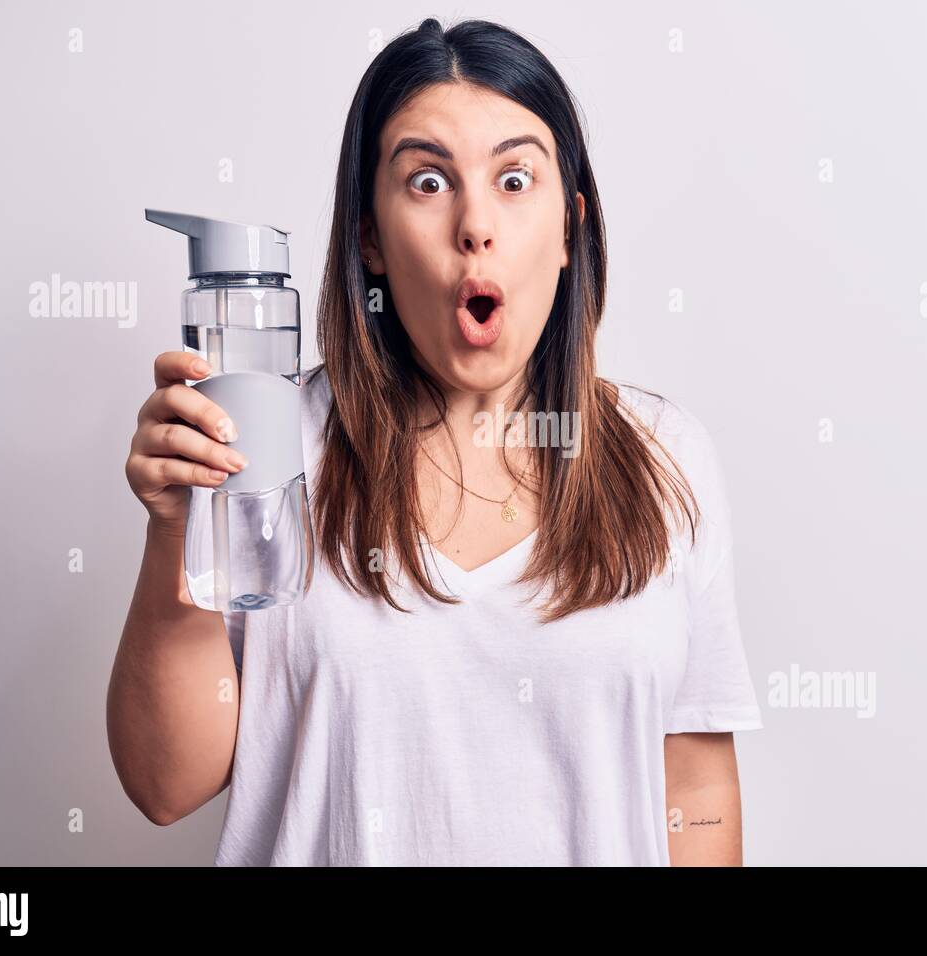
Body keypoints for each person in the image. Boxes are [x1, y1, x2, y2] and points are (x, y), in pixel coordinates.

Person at [108, 16, 763, 866]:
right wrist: (173, 531)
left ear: (568, 229)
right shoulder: (270, 446)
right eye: (426, 182)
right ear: (371, 238)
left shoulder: (667, 457)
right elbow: (166, 786)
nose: (474, 225)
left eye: (515, 178)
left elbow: (696, 788)